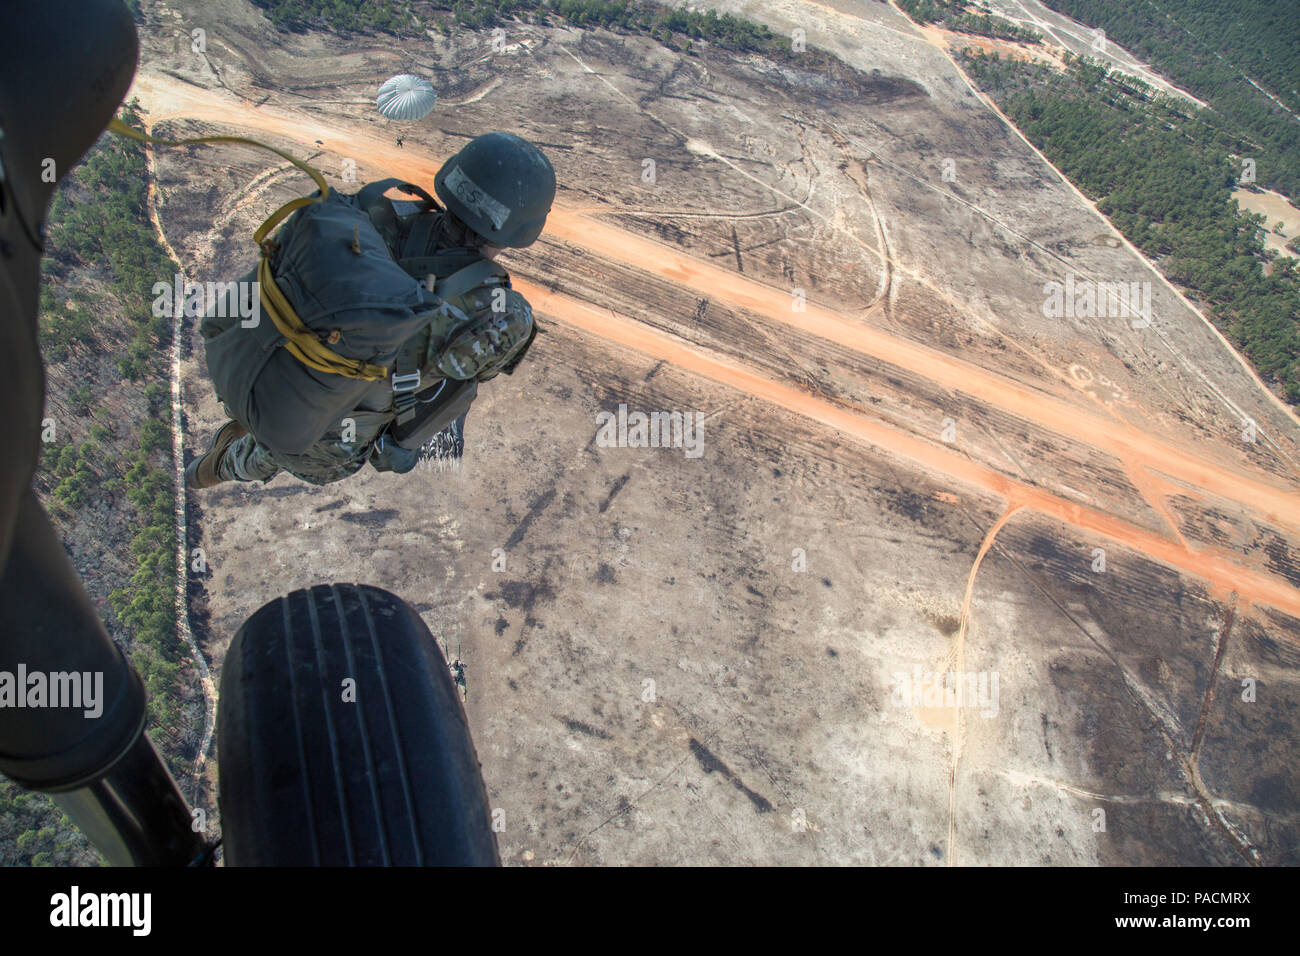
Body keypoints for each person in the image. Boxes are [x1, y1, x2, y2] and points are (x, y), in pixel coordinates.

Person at [187, 131, 556, 488]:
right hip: (318, 436)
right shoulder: (504, 315)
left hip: (240, 355)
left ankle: (251, 415)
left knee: (286, 408)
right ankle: (219, 467)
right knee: (285, 452)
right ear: (522, 230)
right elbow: (468, 376)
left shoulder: (367, 211)